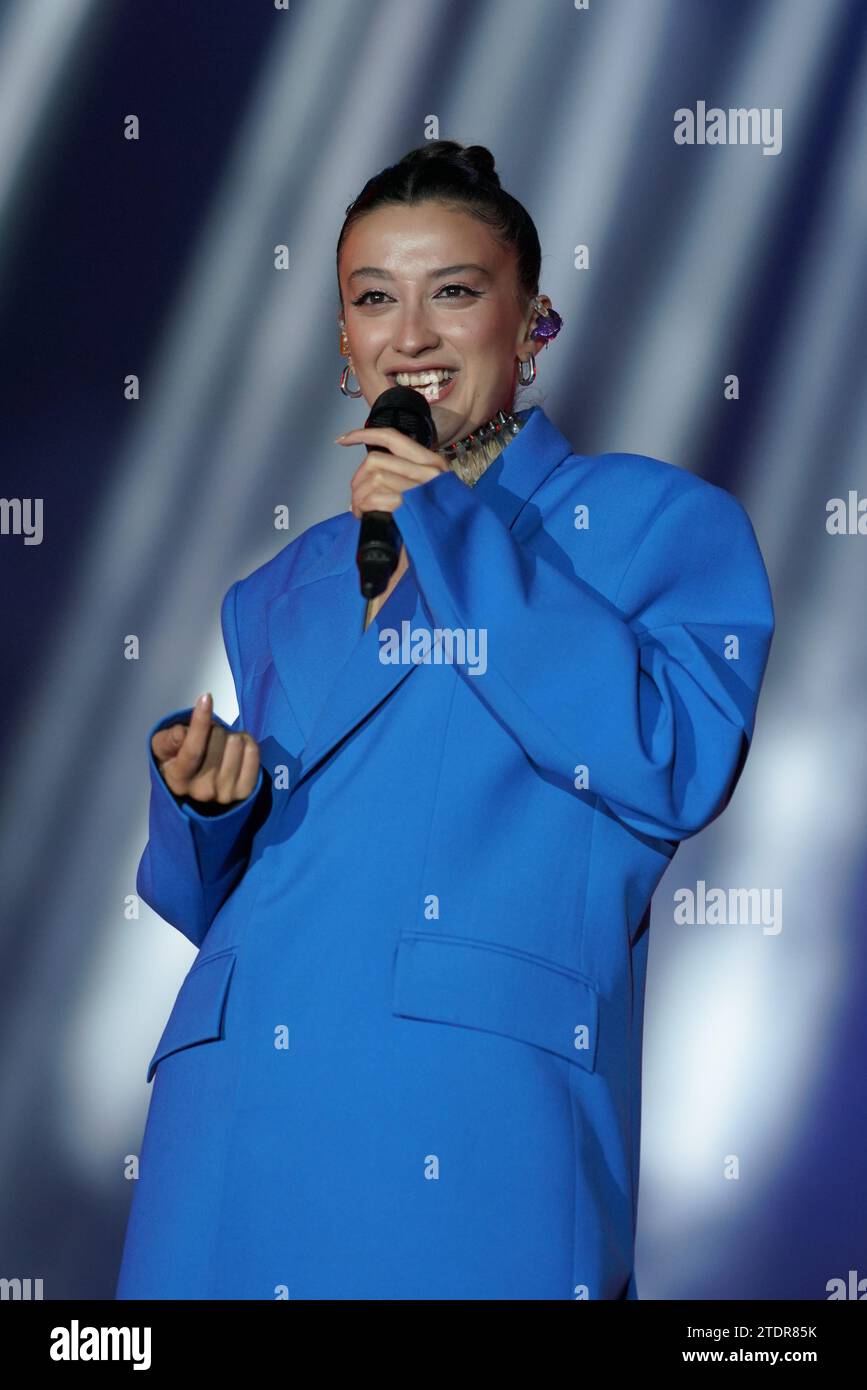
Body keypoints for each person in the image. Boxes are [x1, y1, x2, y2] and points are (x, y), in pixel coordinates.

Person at [115, 140, 775, 1301]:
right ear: (343, 346)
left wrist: (450, 532)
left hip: (464, 1128)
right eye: (376, 299)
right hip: (230, 1134)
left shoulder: (656, 522)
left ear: (535, 327)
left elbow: (668, 761)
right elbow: (234, 893)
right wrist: (209, 808)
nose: (410, 335)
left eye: (455, 293)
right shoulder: (277, 590)